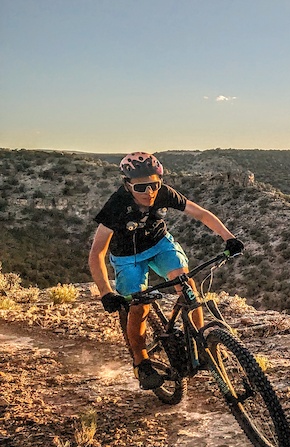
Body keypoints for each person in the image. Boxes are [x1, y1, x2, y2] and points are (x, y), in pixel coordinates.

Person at [88, 152, 244, 390]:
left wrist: (229, 238)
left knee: (186, 283)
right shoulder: (116, 205)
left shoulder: (164, 193)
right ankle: (142, 362)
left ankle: (202, 342)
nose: (149, 192)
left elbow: (200, 213)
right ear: (127, 185)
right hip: (127, 257)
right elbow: (97, 253)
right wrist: (106, 292)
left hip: (159, 244)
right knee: (139, 307)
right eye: (141, 187)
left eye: (154, 185)